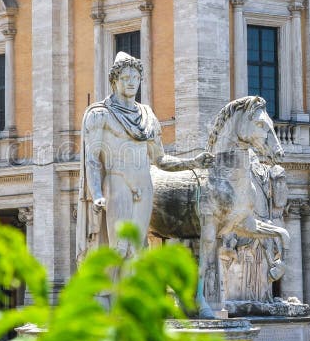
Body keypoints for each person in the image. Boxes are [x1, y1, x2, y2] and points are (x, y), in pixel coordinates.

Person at [76, 52, 213, 261]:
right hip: (117, 184)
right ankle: (111, 293)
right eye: (125, 78)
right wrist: (96, 194)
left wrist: (192, 162)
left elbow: (160, 160)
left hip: (145, 187)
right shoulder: (100, 114)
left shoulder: (147, 116)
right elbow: (92, 159)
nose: (131, 82)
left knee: (138, 250)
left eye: (135, 78)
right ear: (114, 81)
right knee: (119, 249)